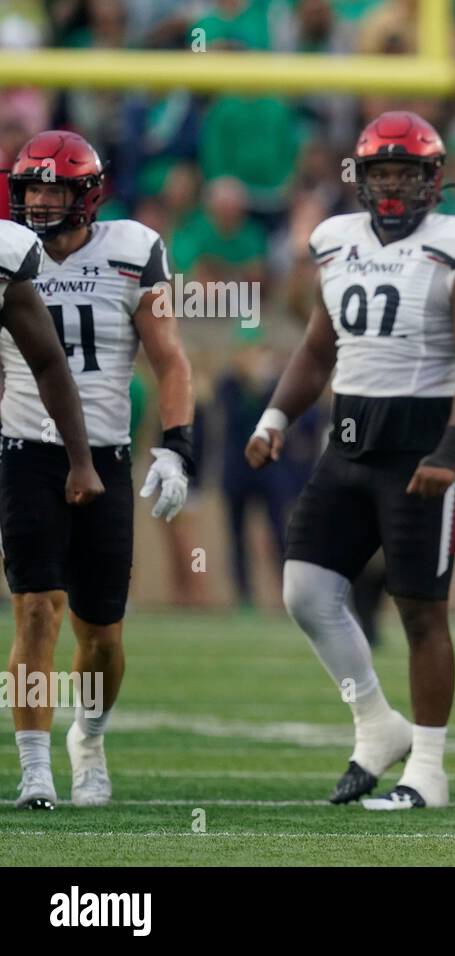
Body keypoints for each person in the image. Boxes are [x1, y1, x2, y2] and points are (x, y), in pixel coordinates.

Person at [246, 111, 455, 810]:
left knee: (421, 610)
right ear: (360, 176)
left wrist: (453, 448)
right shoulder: (333, 239)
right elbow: (317, 348)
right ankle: (375, 723)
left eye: (406, 171)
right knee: (305, 590)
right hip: (349, 438)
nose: (393, 183)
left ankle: (430, 769)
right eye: (381, 170)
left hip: (421, 444)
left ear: (432, 179)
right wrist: (275, 417)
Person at [5, 130, 189, 809]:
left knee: (102, 635)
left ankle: (88, 735)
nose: (41, 200)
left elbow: (169, 356)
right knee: (32, 610)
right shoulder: (5, 249)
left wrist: (177, 444)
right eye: (32, 188)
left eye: (55, 187)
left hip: (106, 451)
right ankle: (33, 767)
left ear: (88, 194)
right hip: (24, 447)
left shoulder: (134, 249)